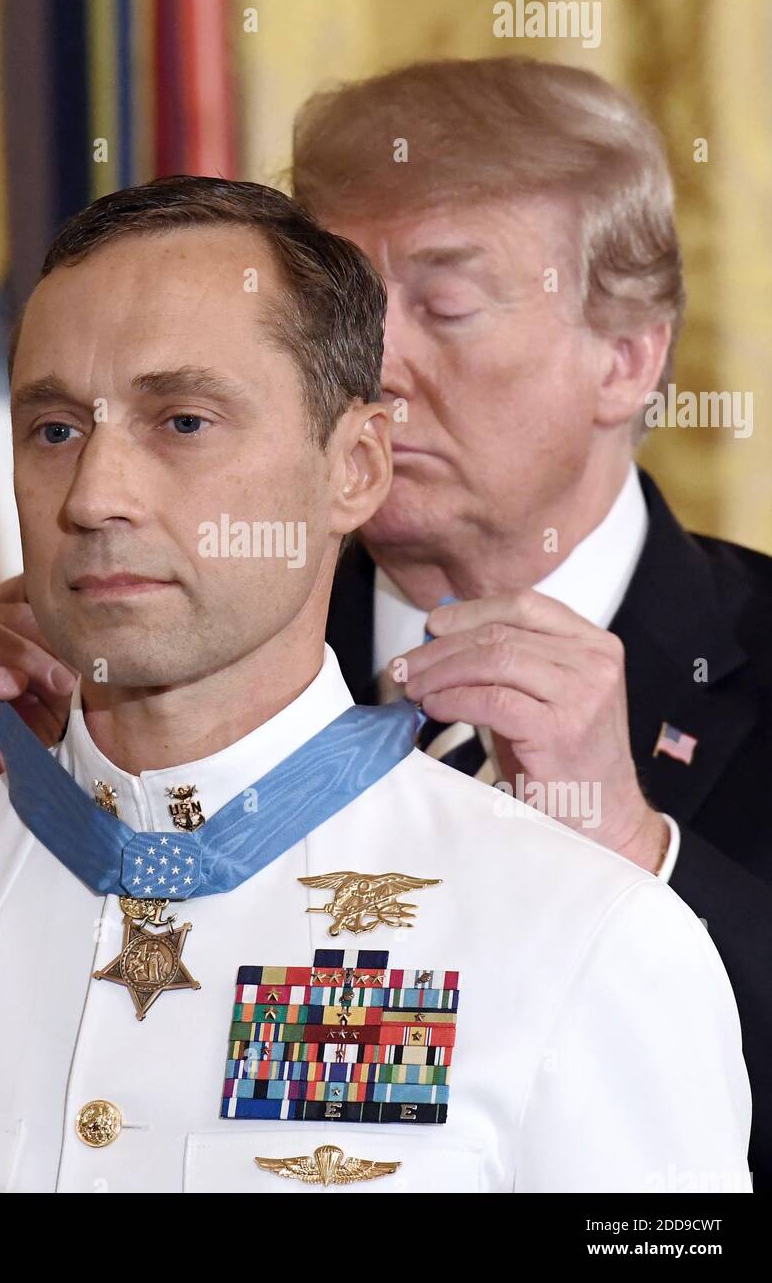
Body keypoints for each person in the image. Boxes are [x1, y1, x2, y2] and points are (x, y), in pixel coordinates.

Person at [0, 176, 750, 1193]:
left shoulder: (580, 933)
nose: (95, 497)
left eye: (182, 421)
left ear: (355, 465)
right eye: (54, 430)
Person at [292, 58, 772, 1189]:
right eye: (343, 314)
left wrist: (628, 846)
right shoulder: (207, 661)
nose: (370, 367)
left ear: (625, 357)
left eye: (442, 307)